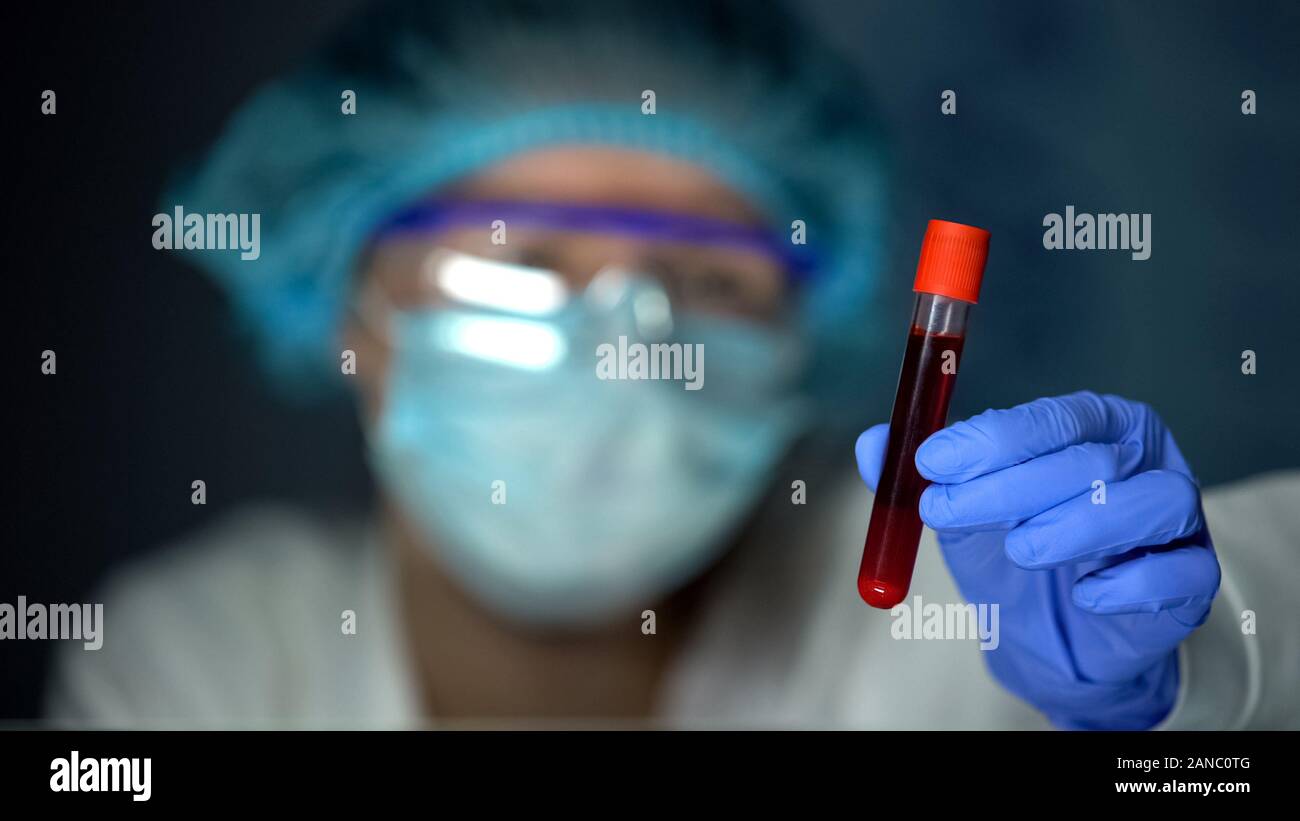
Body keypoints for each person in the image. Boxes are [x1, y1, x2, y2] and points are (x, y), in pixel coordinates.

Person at [48, 0, 1298, 729]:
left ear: (815, 331)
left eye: (710, 281)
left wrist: (1181, 677)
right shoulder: (205, 656)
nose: (627, 331)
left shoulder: (957, 623)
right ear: (347, 310)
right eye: (518, 256)